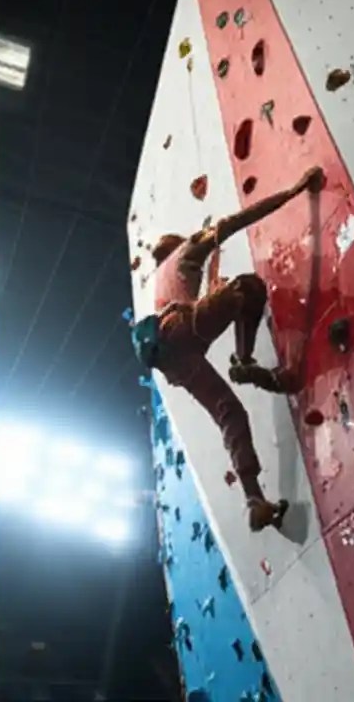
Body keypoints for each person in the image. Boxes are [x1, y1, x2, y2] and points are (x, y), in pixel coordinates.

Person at [143, 165, 324, 533]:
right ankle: (243, 361)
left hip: (171, 361)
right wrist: (293, 191)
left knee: (229, 414)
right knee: (248, 289)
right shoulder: (186, 251)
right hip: (183, 328)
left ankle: (254, 498)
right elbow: (235, 221)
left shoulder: (158, 286)